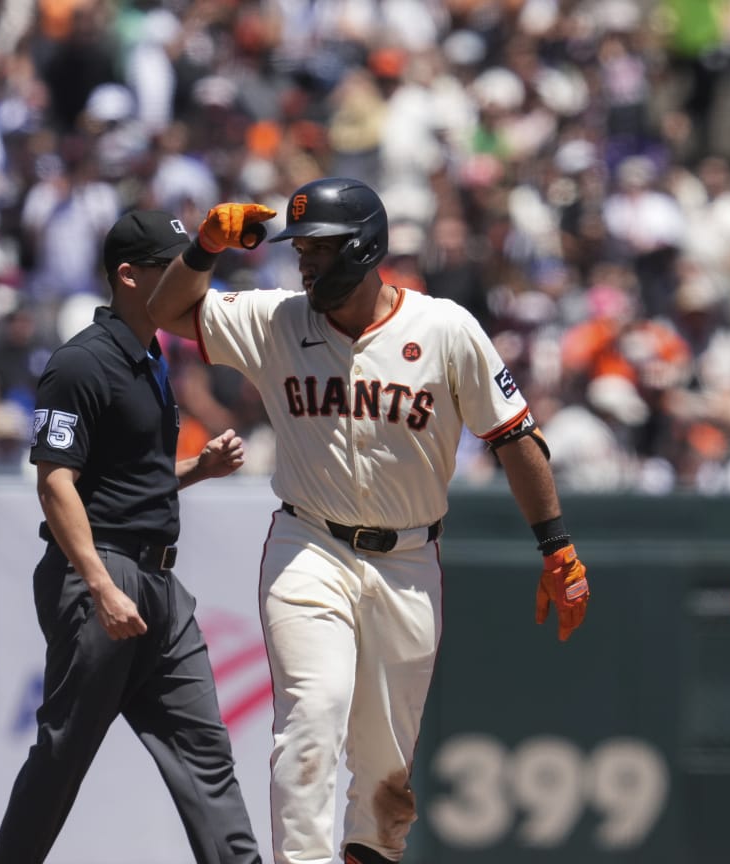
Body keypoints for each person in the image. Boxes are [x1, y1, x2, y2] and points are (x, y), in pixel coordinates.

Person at [148, 178, 592, 864]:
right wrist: (206, 247)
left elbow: (516, 437)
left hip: (408, 563)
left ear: (362, 248)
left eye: (318, 249)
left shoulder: (444, 328)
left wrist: (557, 550)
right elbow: (168, 311)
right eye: (301, 250)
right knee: (311, 718)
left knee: (385, 777)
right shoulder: (277, 319)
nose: (304, 263)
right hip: (309, 545)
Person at [0, 210, 262, 864]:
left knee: (207, 759)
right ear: (129, 276)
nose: (187, 278)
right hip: (102, 577)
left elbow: (127, 481)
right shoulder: (81, 363)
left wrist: (198, 468)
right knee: (62, 758)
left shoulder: (150, 358)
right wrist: (100, 584)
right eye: (172, 266)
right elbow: (56, 483)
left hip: (160, 588)